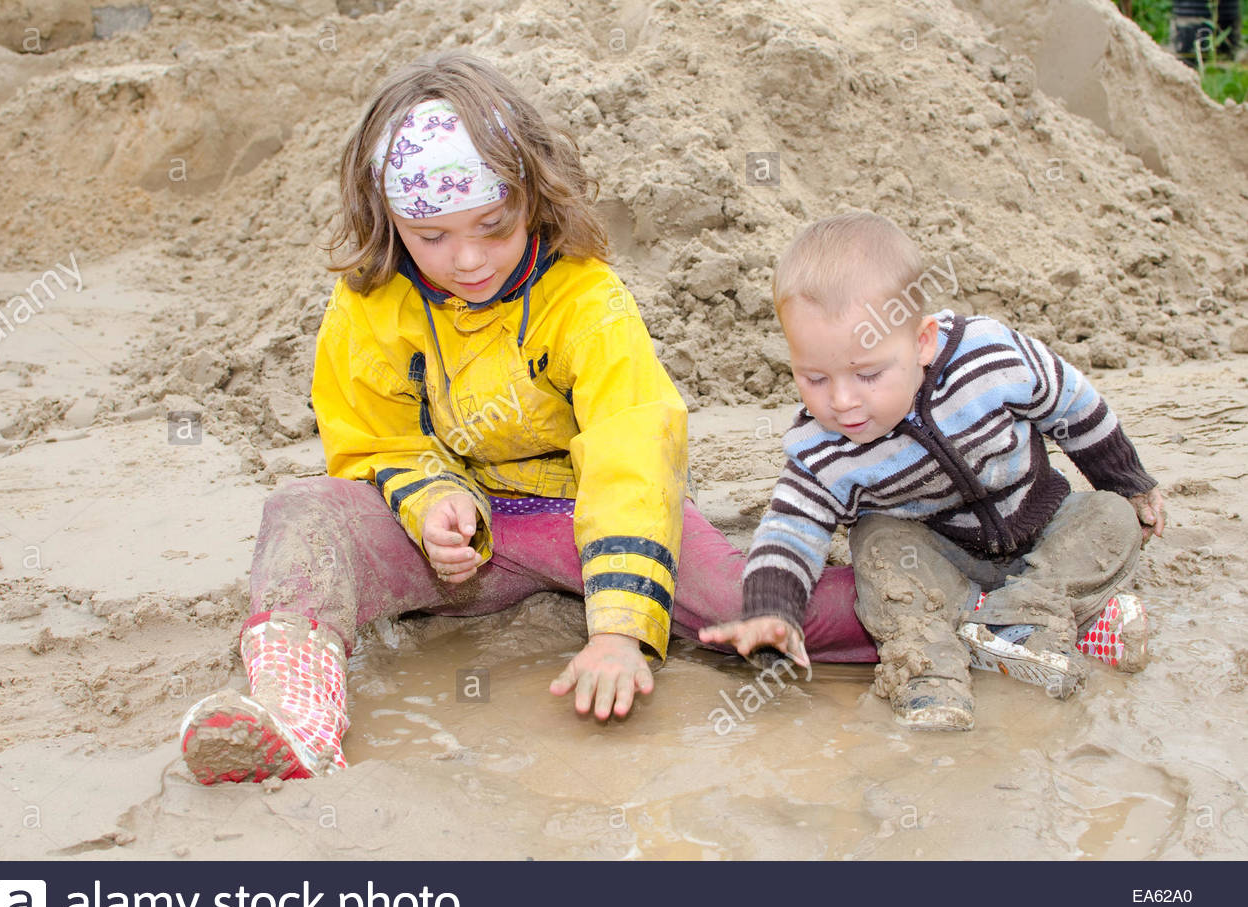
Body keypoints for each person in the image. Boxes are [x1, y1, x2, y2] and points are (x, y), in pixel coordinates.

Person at [178, 53, 877, 785]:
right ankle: (296, 716)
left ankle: (936, 602)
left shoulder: (586, 301)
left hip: (582, 512)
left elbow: (632, 452)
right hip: (464, 547)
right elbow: (372, 435)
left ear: (532, 195)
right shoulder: (367, 304)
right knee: (303, 513)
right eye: (432, 236)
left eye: (492, 225)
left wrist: (618, 633)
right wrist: (431, 498)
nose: (469, 258)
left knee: (742, 605)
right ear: (389, 221)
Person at [701, 212, 1163, 731]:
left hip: (1041, 528)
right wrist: (771, 610)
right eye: (814, 378)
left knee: (1111, 517)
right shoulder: (821, 447)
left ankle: (1027, 613)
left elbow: (1072, 404)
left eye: (869, 373)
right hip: (938, 559)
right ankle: (930, 670)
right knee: (878, 546)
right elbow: (790, 528)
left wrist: (1127, 481)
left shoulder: (989, 356)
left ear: (921, 341)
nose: (843, 401)